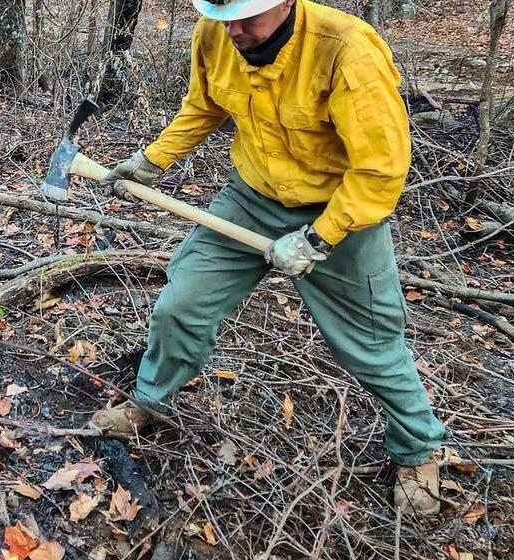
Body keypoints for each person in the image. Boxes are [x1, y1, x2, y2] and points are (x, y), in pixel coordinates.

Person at [92, 0, 446, 516]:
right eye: (222, 15)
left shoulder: (345, 50)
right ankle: (150, 401)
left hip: (340, 209)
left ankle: (418, 449)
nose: (232, 29)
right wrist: (153, 160)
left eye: (245, 17)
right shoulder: (216, 34)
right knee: (180, 304)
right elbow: (204, 106)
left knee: (371, 343)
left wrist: (317, 239)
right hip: (251, 198)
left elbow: (380, 169)